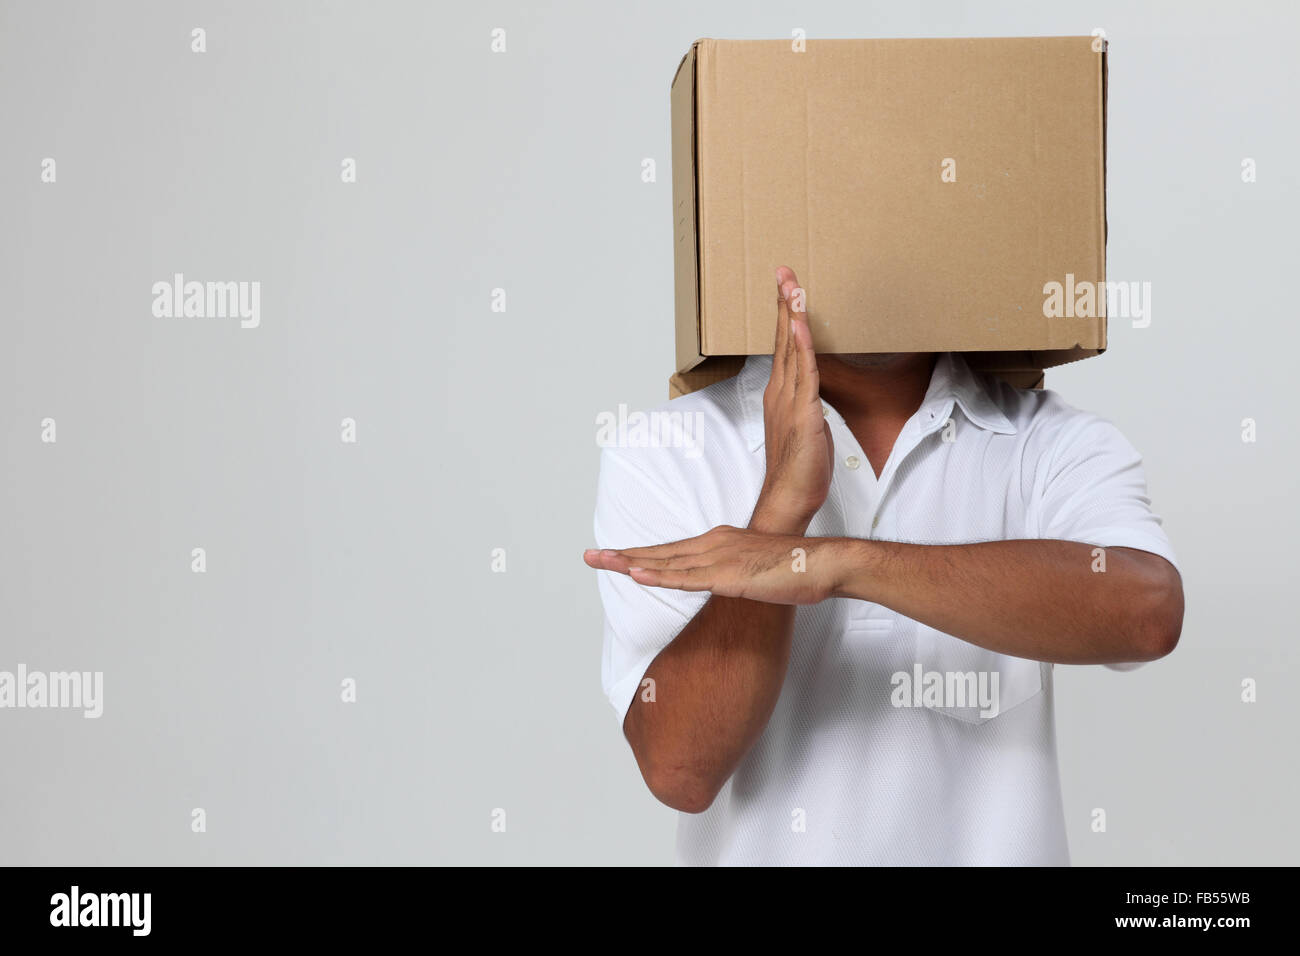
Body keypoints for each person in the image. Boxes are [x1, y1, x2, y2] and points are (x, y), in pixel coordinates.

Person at [585, 266, 1183, 866]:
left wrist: (836, 563)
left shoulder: (1050, 442)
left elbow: (1148, 614)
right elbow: (681, 769)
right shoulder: (666, 450)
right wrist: (778, 516)